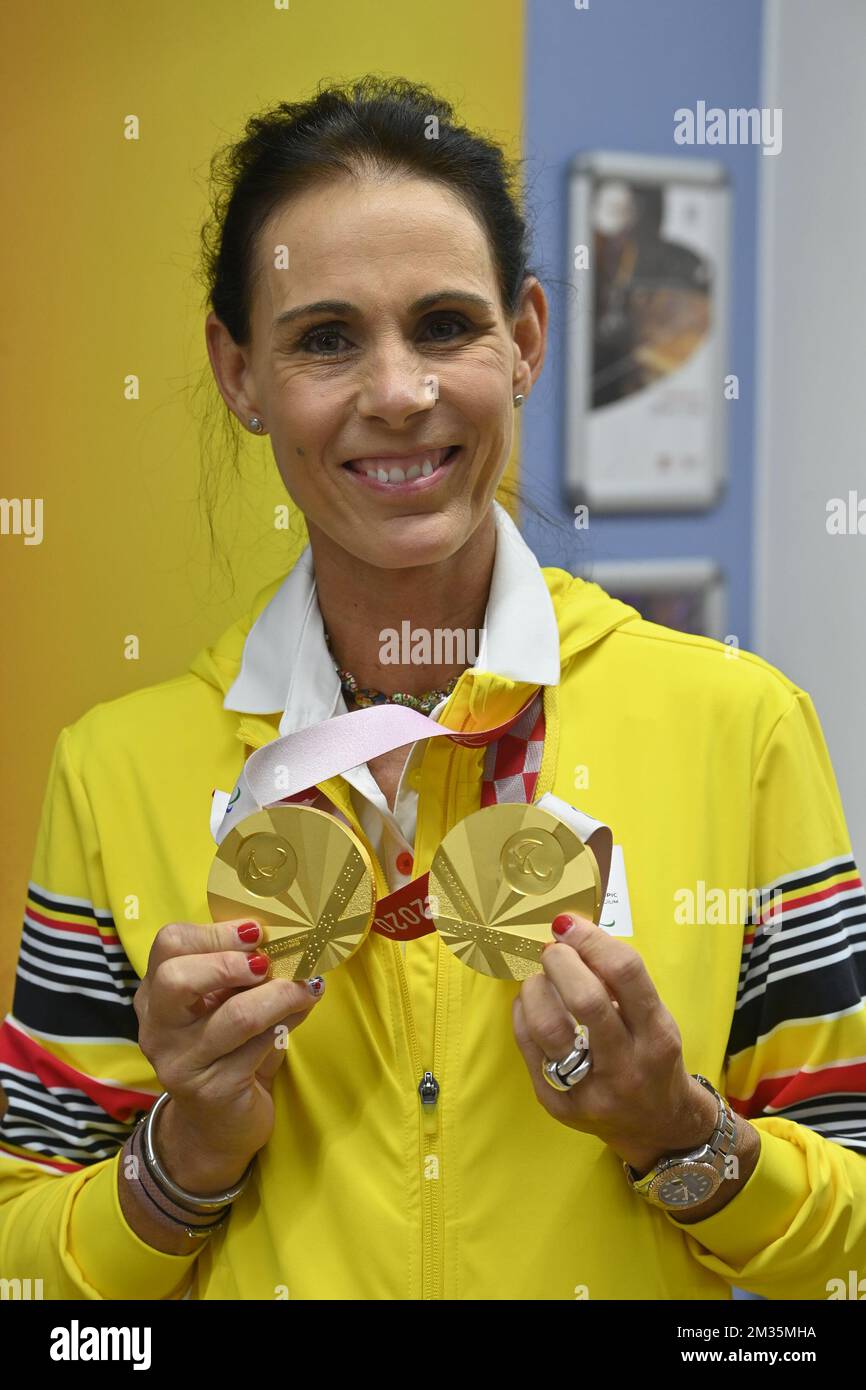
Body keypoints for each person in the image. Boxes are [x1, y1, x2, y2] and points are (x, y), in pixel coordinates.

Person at [0, 76, 864, 1302]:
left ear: (524, 342)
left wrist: (678, 1134)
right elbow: (26, 1281)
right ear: (237, 372)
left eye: (445, 325)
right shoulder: (116, 767)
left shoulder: (740, 726)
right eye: (325, 337)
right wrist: (182, 1155)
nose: (397, 392)